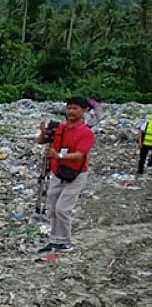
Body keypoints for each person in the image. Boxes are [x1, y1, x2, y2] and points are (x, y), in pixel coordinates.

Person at [37, 96, 96, 254]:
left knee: (63, 209)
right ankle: (55, 240)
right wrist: (44, 133)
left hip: (76, 174)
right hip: (58, 172)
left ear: (84, 111)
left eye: (75, 108)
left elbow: (80, 155)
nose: (70, 111)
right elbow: (41, 141)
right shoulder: (60, 128)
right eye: (69, 108)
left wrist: (58, 156)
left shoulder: (86, 133)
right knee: (52, 207)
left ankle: (66, 242)